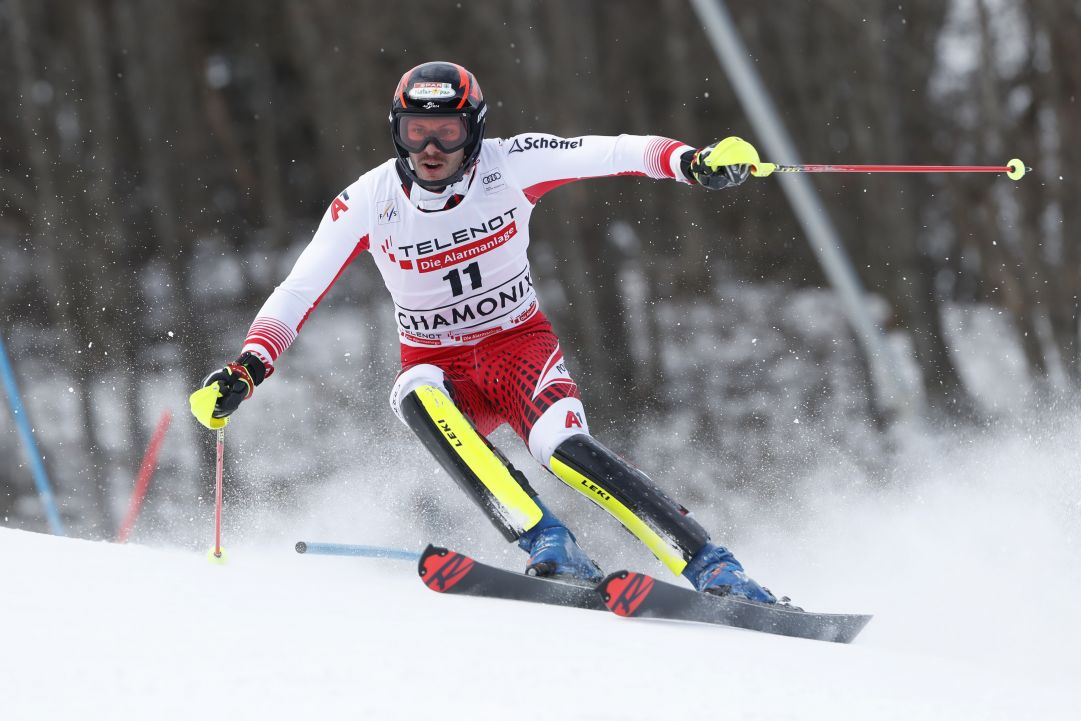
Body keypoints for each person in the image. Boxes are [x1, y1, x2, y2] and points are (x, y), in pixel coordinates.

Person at [189, 61, 776, 603]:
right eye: (417, 130)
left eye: (447, 130)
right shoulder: (368, 201)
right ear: (398, 130)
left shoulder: (513, 163)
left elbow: (618, 152)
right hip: (442, 371)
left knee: (561, 451)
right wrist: (248, 367)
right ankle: (549, 543)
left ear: (474, 129)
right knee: (412, 391)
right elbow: (298, 290)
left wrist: (694, 164)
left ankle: (714, 568)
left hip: (519, 349)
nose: (432, 147)